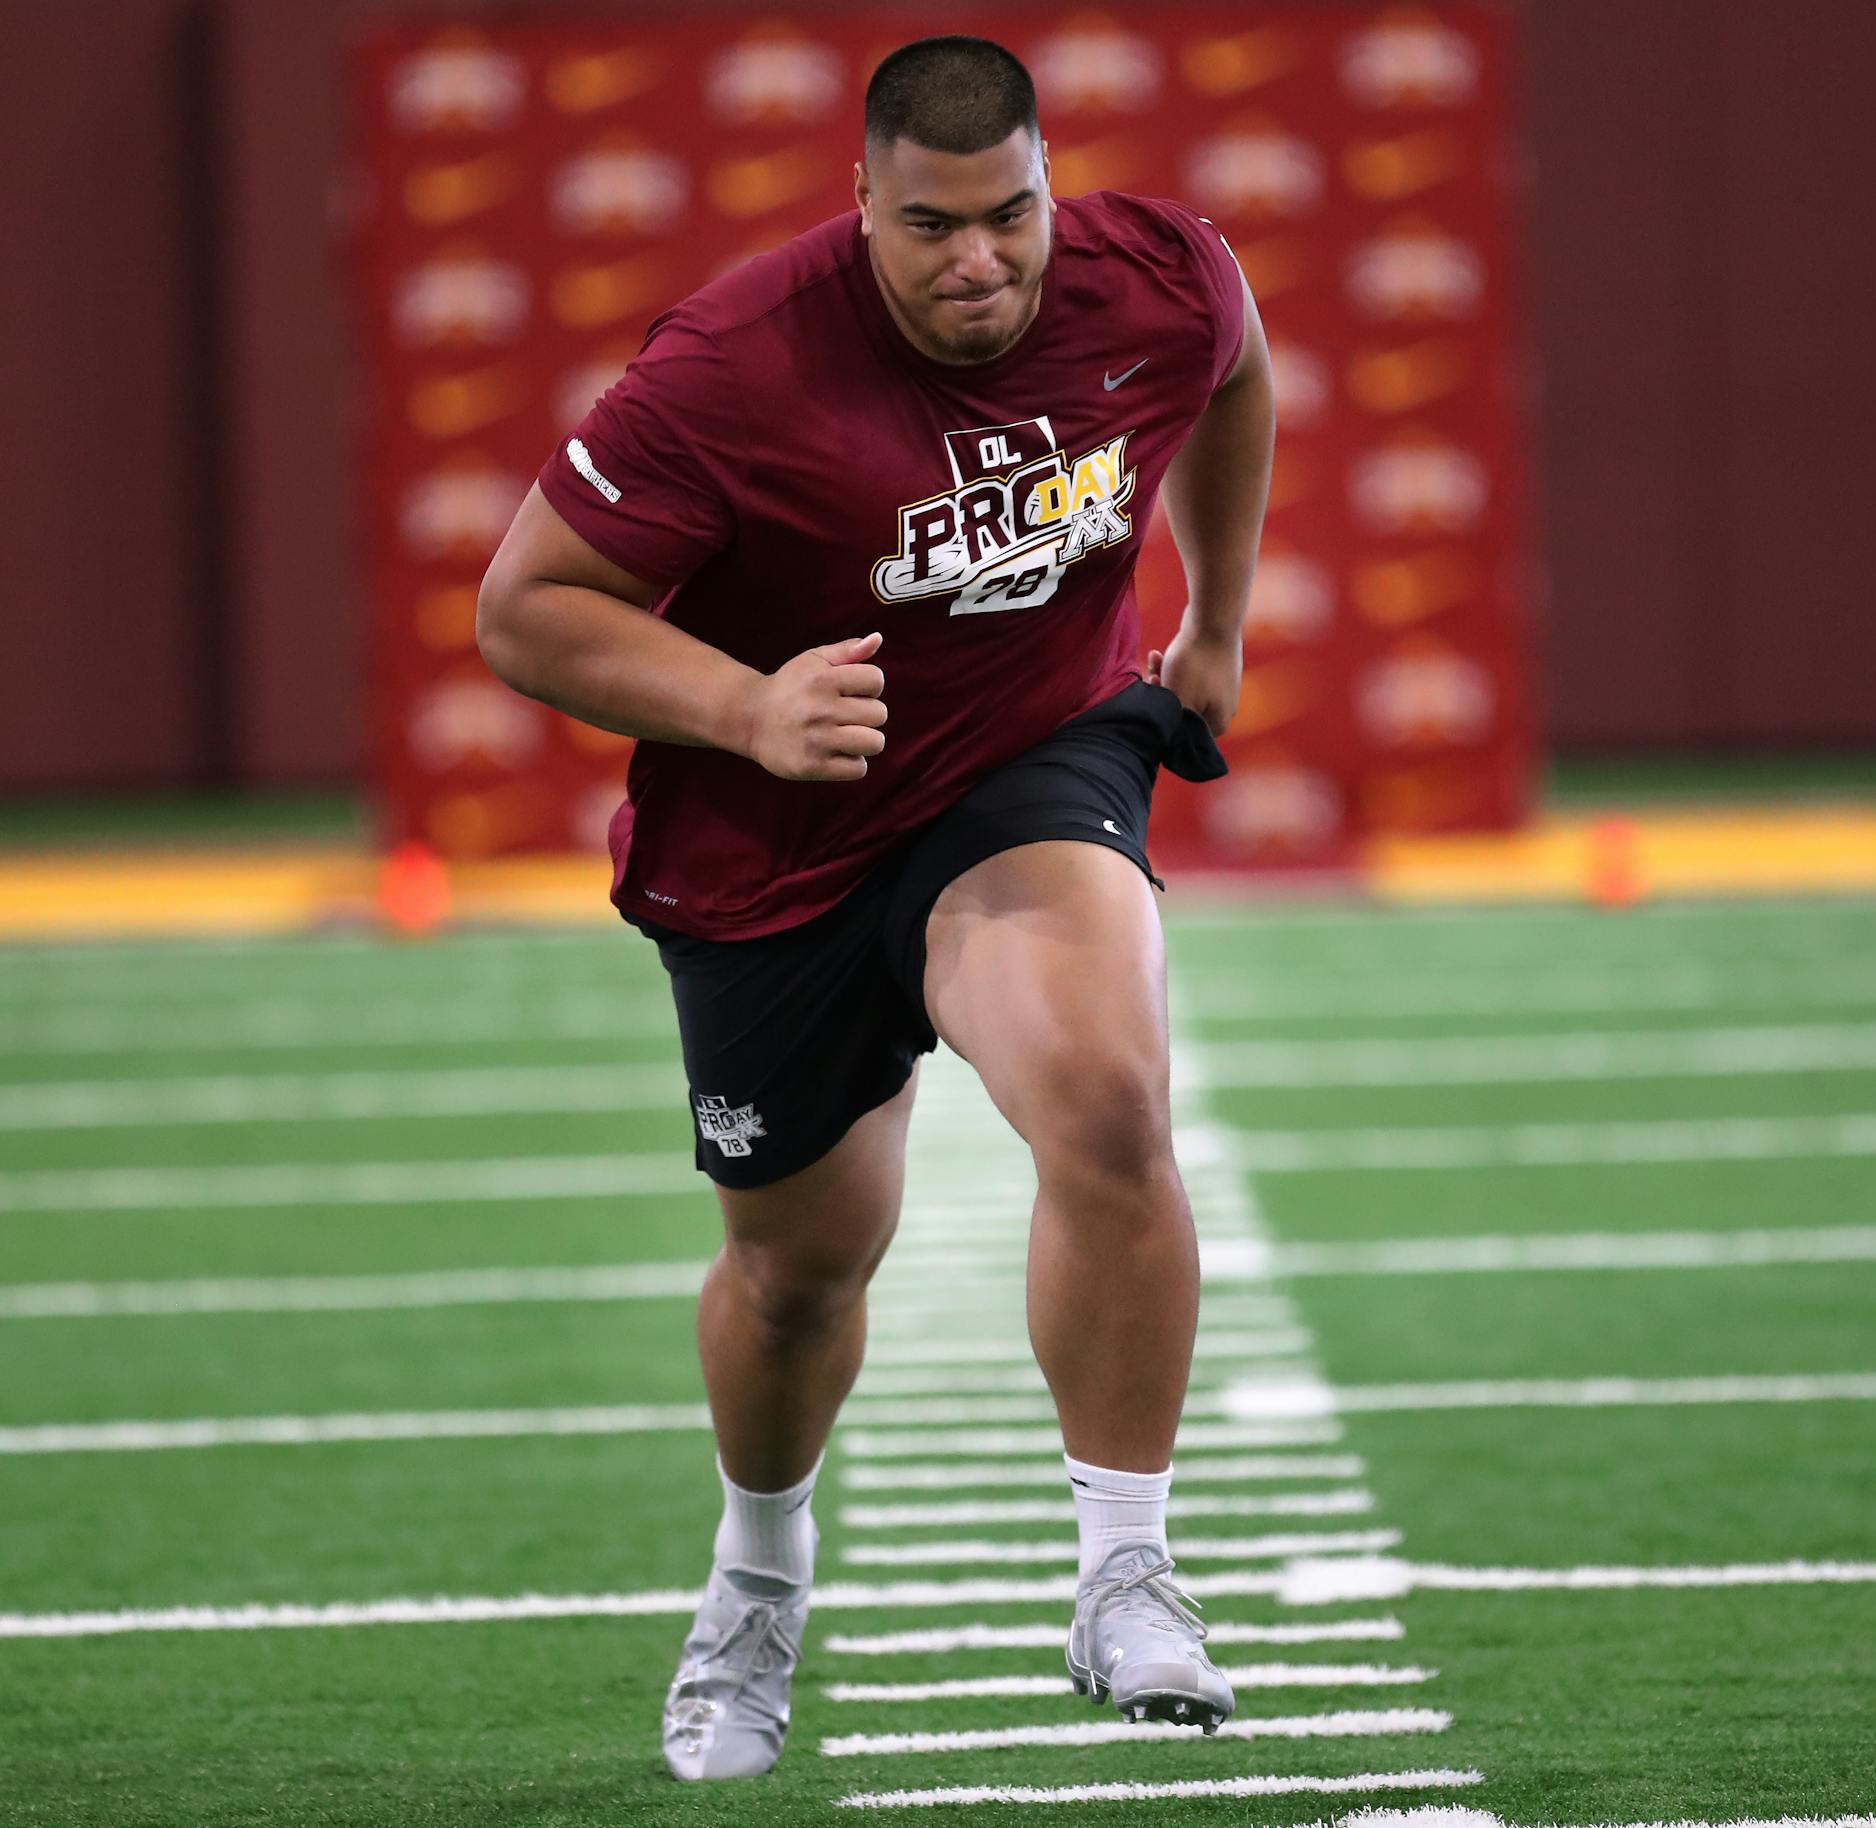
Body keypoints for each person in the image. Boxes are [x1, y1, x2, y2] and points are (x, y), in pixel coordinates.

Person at [474, 34, 1273, 1783]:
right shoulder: (732, 365)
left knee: (1109, 1100)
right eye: (932, 227)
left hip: (1026, 768)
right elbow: (526, 611)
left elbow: (1234, 366)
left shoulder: (1158, 274)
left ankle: (1127, 1567)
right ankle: (757, 1580)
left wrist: (1212, 614)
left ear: (1052, 186)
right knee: (795, 1275)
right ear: (859, 204)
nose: (981, 261)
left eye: (1011, 217)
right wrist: (747, 707)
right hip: (776, 836)